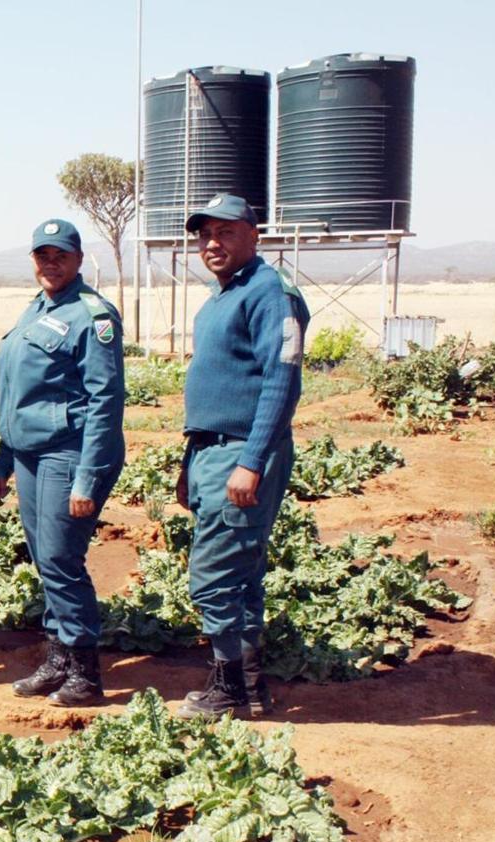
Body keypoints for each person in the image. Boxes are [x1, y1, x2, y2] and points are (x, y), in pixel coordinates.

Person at [173, 194, 308, 718]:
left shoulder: (270, 292)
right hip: (211, 453)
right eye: (205, 234)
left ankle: (226, 689)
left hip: (242, 455)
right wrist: (190, 465)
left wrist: (250, 461)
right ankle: (249, 687)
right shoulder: (222, 296)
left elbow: (281, 382)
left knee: (211, 577)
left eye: (226, 232)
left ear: (254, 234)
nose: (213, 243)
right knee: (243, 576)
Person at [0, 219, 126, 707]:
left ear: (78, 259)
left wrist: (87, 477)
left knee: (60, 559)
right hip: (29, 454)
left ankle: (86, 672)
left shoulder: (92, 316)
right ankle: (58, 659)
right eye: (42, 255)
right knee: (45, 559)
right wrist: (5, 457)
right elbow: (16, 393)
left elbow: (105, 402)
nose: (51, 263)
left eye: (60, 255)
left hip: (67, 453)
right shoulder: (37, 309)